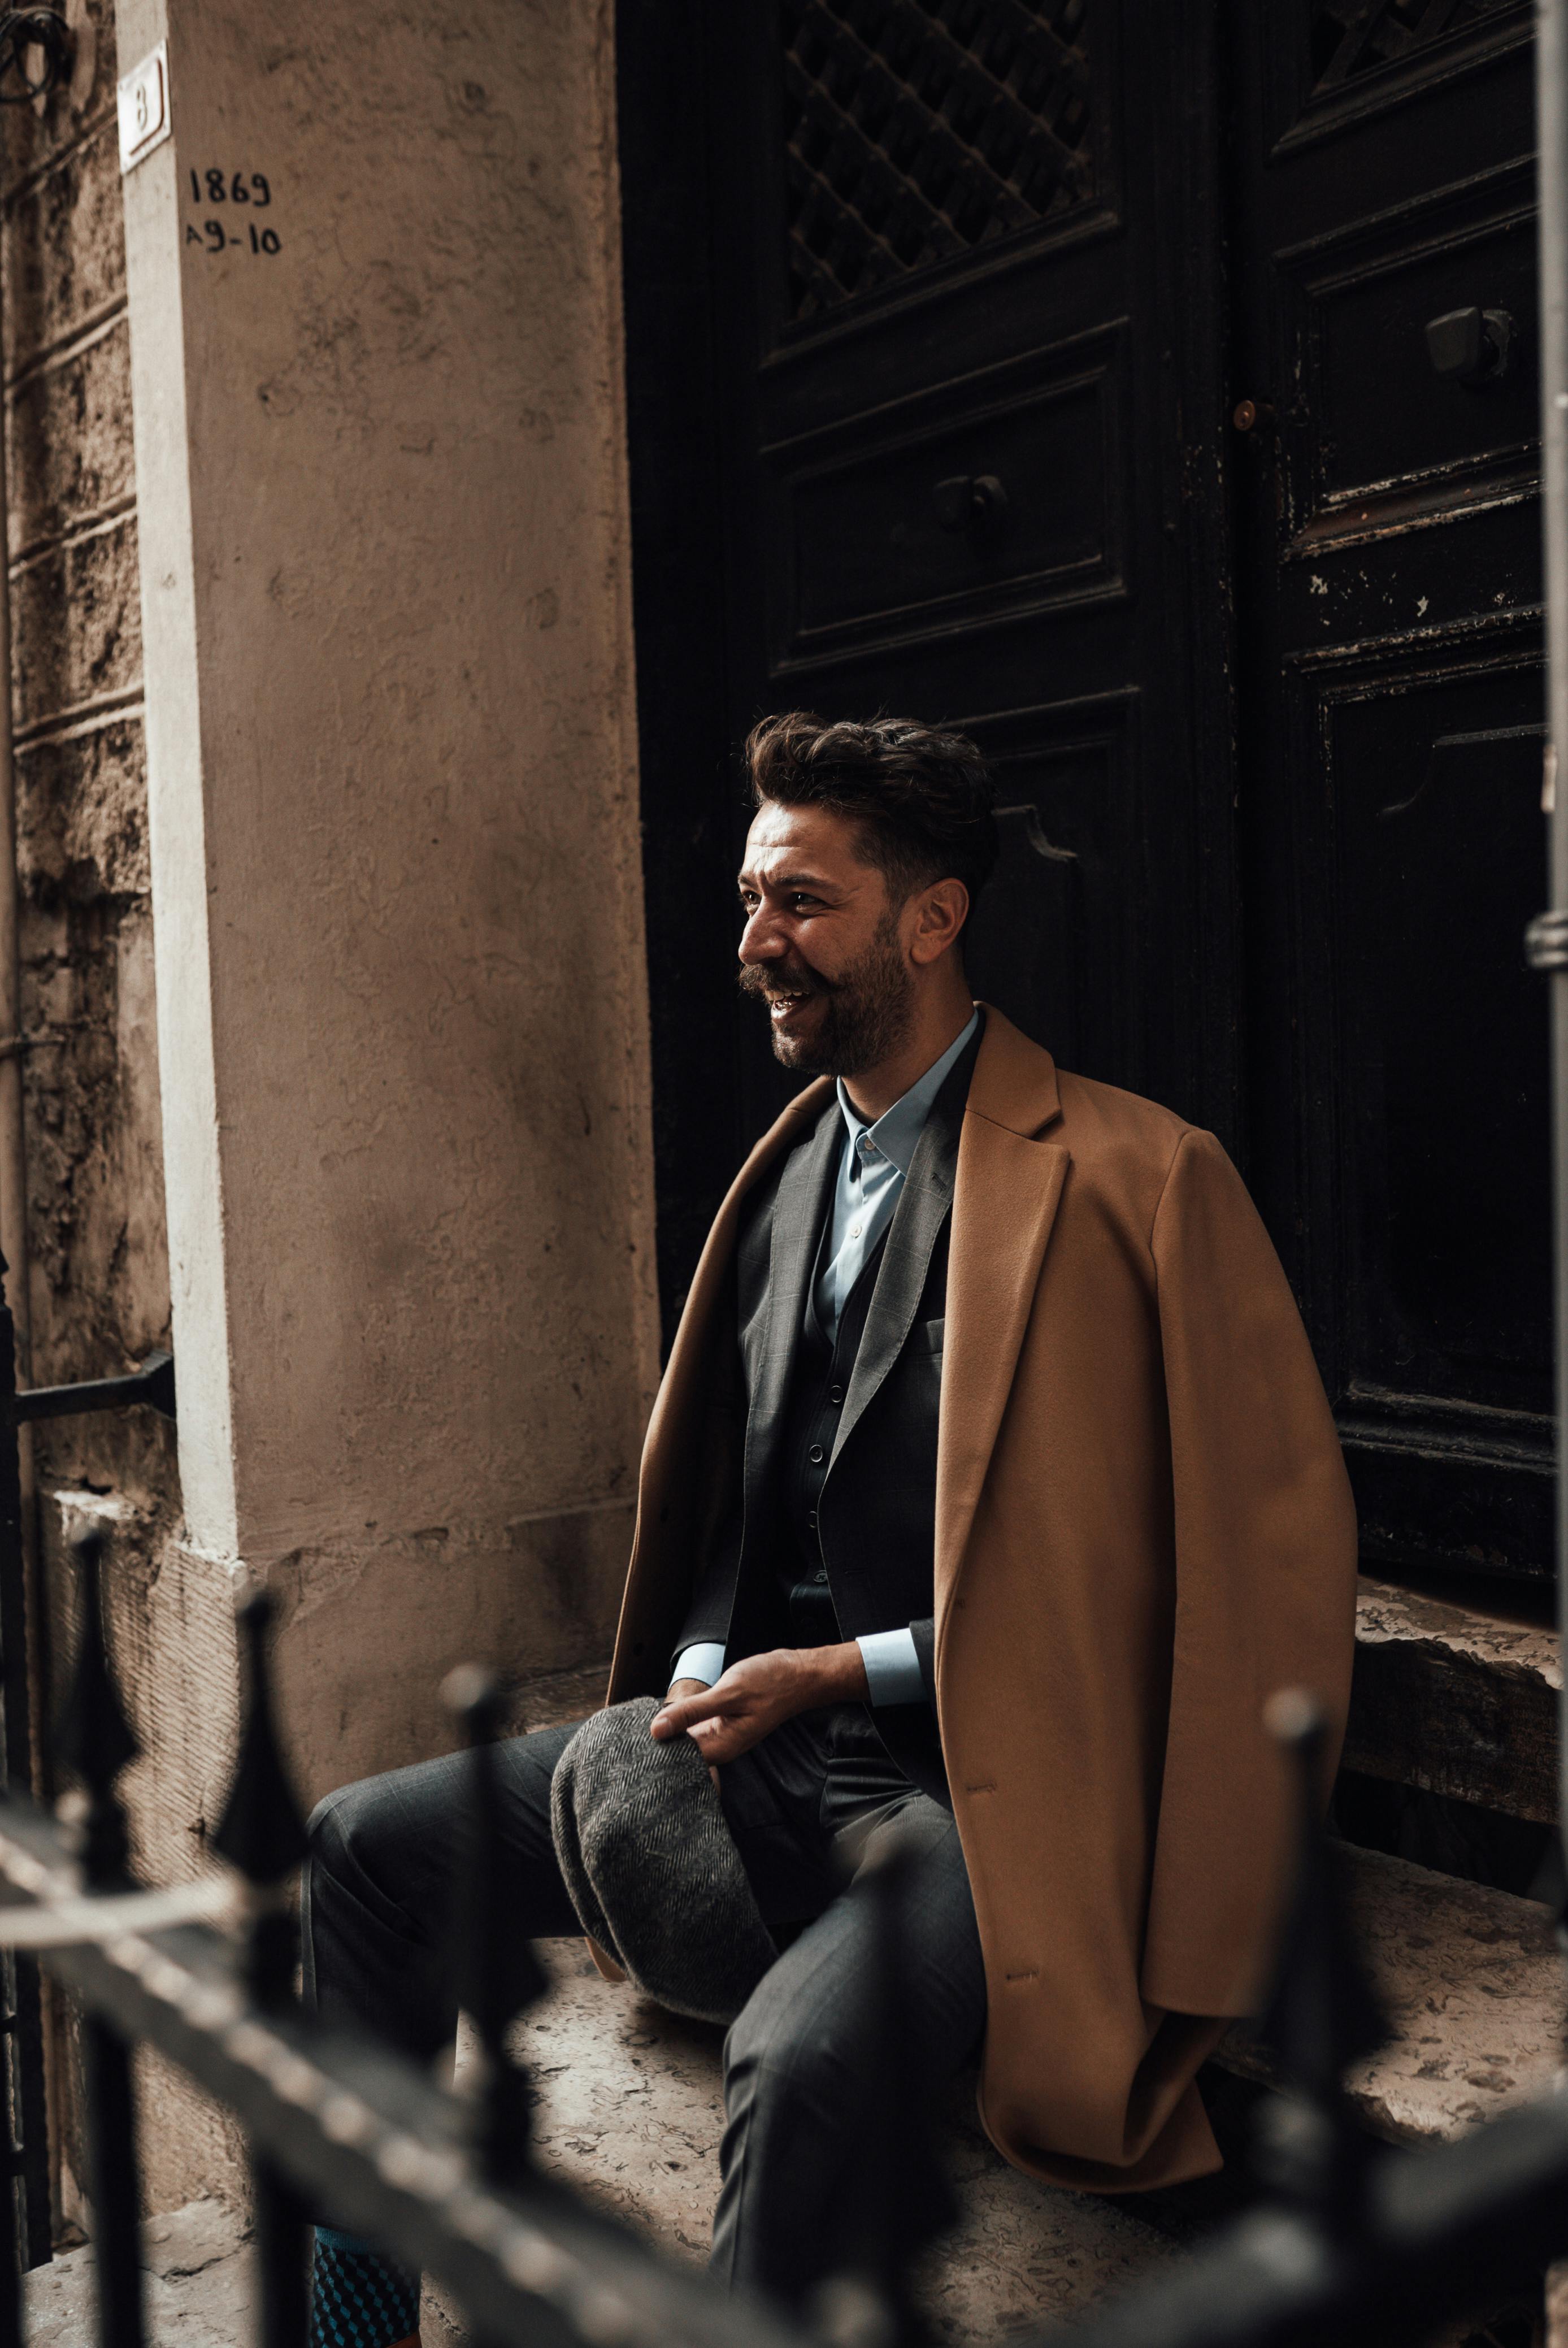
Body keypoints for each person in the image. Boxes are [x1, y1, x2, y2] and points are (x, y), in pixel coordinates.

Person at [302, 713, 1358, 2346]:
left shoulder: (1145, 1180)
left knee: (793, 2065)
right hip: (760, 1733)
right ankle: (352, 2330)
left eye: (800, 901)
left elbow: (1234, 1578)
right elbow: (742, 1504)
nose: (755, 944)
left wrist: (846, 1670)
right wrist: (708, 1660)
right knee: (361, 1849)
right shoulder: (790, 1169)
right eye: (750, 899)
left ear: (932, 918)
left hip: (978, 1797)